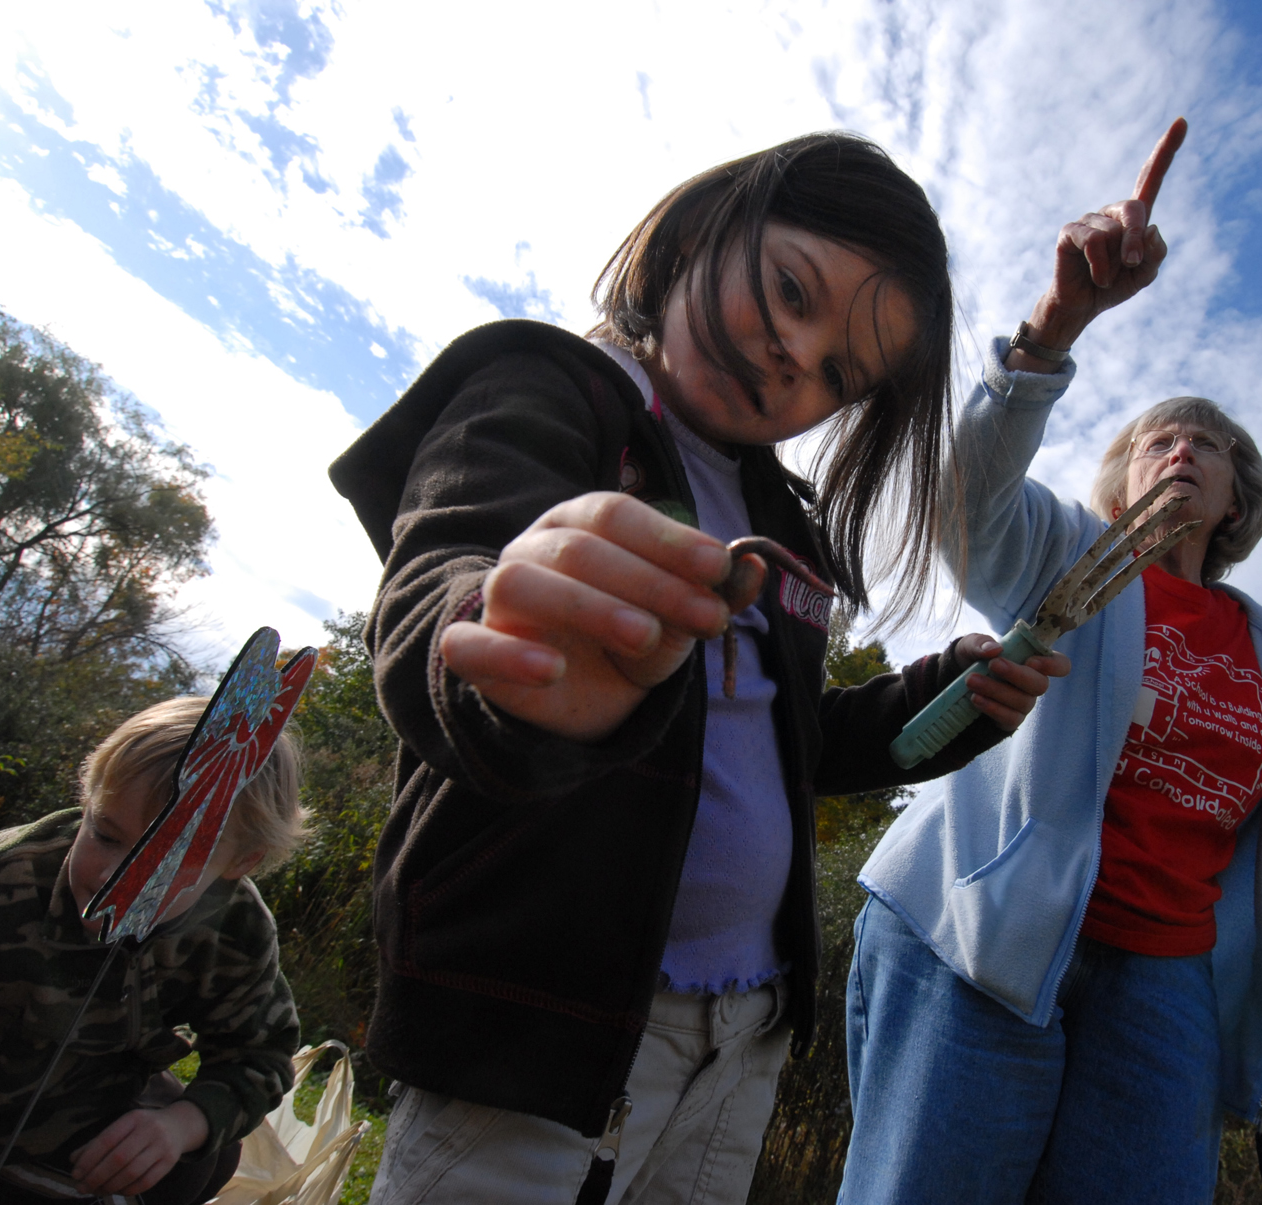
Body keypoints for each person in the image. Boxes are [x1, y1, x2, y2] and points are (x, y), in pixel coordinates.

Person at [329, 131, 1068, 1205]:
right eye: (787, 290)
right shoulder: (547, 386)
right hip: (546, 1024)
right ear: (697, 228)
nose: (791, 357)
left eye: (837, 373)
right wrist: (512, 647)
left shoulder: (786, 527)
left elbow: (803, 744)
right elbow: (437, 588)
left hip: (745, 1032)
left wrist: (952, 701)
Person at [839, 120, 1262, 1204]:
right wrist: (1057, 328)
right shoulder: (1070, 558)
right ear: (1119, 477)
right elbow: (963, 511)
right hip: (979, 938)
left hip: (1165, 984)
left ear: (1238, 501)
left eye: (1211, 446)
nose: (1184, 449)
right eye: (1158, 438)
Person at [0, 697, 305, 1205]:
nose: (111, 878)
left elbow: (260, 1053)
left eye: (164, 864)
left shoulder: (237, 925)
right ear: (88, 799)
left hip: (82, 1115)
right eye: (104, 834)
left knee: (205, 1154)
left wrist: (183, 1126)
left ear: (240, 862)